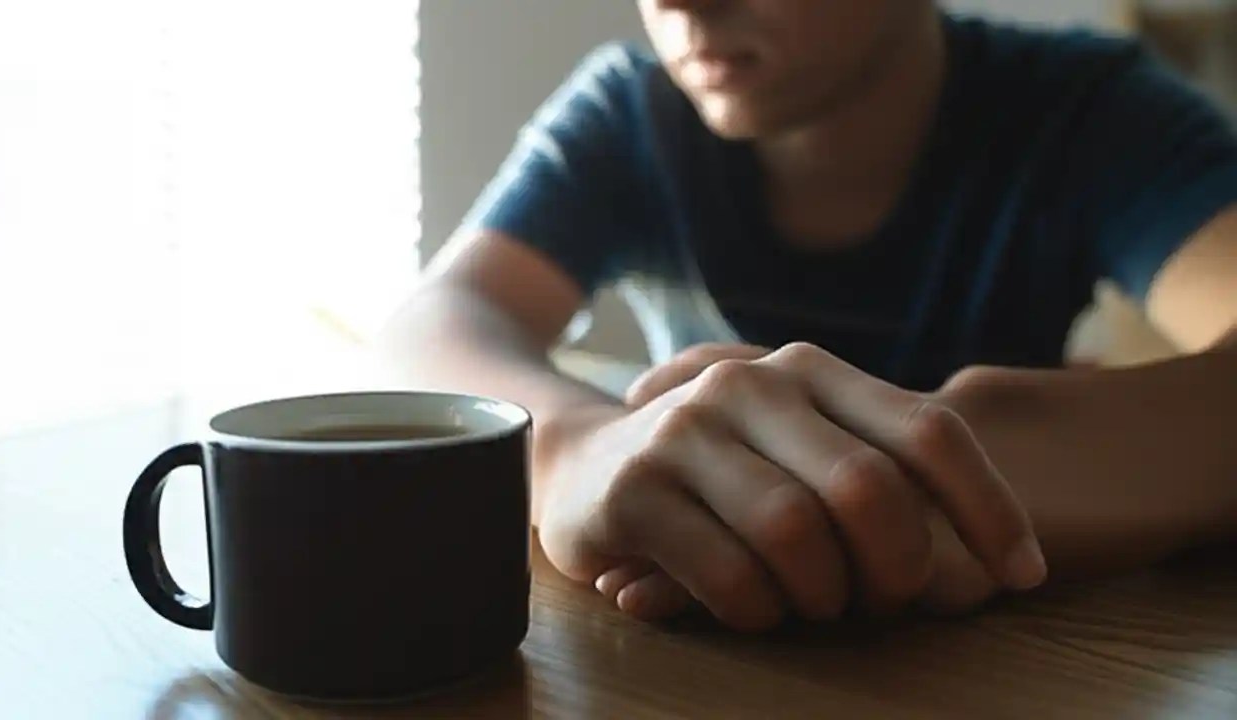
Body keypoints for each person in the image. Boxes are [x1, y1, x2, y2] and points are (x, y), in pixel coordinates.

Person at [380, 0, 1237, 630]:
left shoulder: (1085, 111)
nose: (678, 3)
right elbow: (436, 320)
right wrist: (580, 448)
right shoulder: (632, 113)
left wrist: (946, 469)